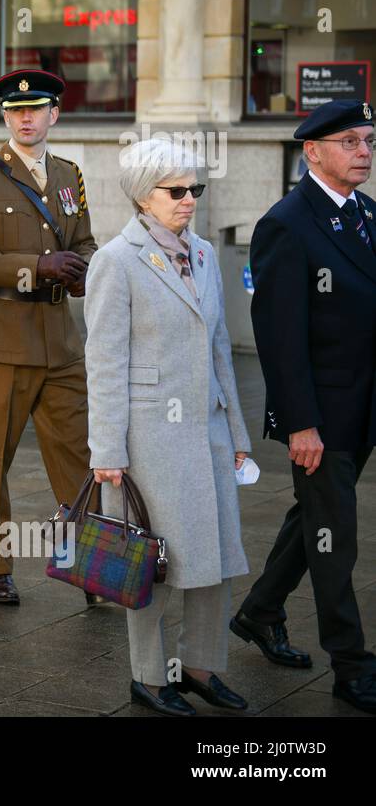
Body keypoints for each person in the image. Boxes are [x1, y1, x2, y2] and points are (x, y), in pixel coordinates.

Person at [85, 138, 254, 716]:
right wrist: (106, 449)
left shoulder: (204, 253)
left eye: (195, 190)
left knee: (216, 556)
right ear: (142, 195)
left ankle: (201, 667)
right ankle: (149, 677)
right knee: (150, 562)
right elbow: (103, 361)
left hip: (205, 433)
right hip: (147, 440)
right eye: (175, 191)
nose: (189, 200)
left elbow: (219, 351)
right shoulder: (116, 260)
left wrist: (237, 435)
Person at [234, 99, 376, 715]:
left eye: (369, 141)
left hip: (362, 403)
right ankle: (351, 664)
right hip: (320, 415)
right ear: (312, 152)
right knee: (333, 536)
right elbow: (280, 338)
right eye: (350, 141)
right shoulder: (287, 224)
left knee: (313, 516)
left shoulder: (365, 213)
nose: (364, 152)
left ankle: (261, 612)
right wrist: (301, 424)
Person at [0, 69, 102, 606]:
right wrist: (37, 265)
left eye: (35, 110)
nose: (26, 118)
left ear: (54, 114)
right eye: (16, 112)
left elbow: (84, 242)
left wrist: (84, 269)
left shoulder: (68, 174)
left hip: (59, 341)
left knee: (81, 458)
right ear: (5, 118)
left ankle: (91, 564)